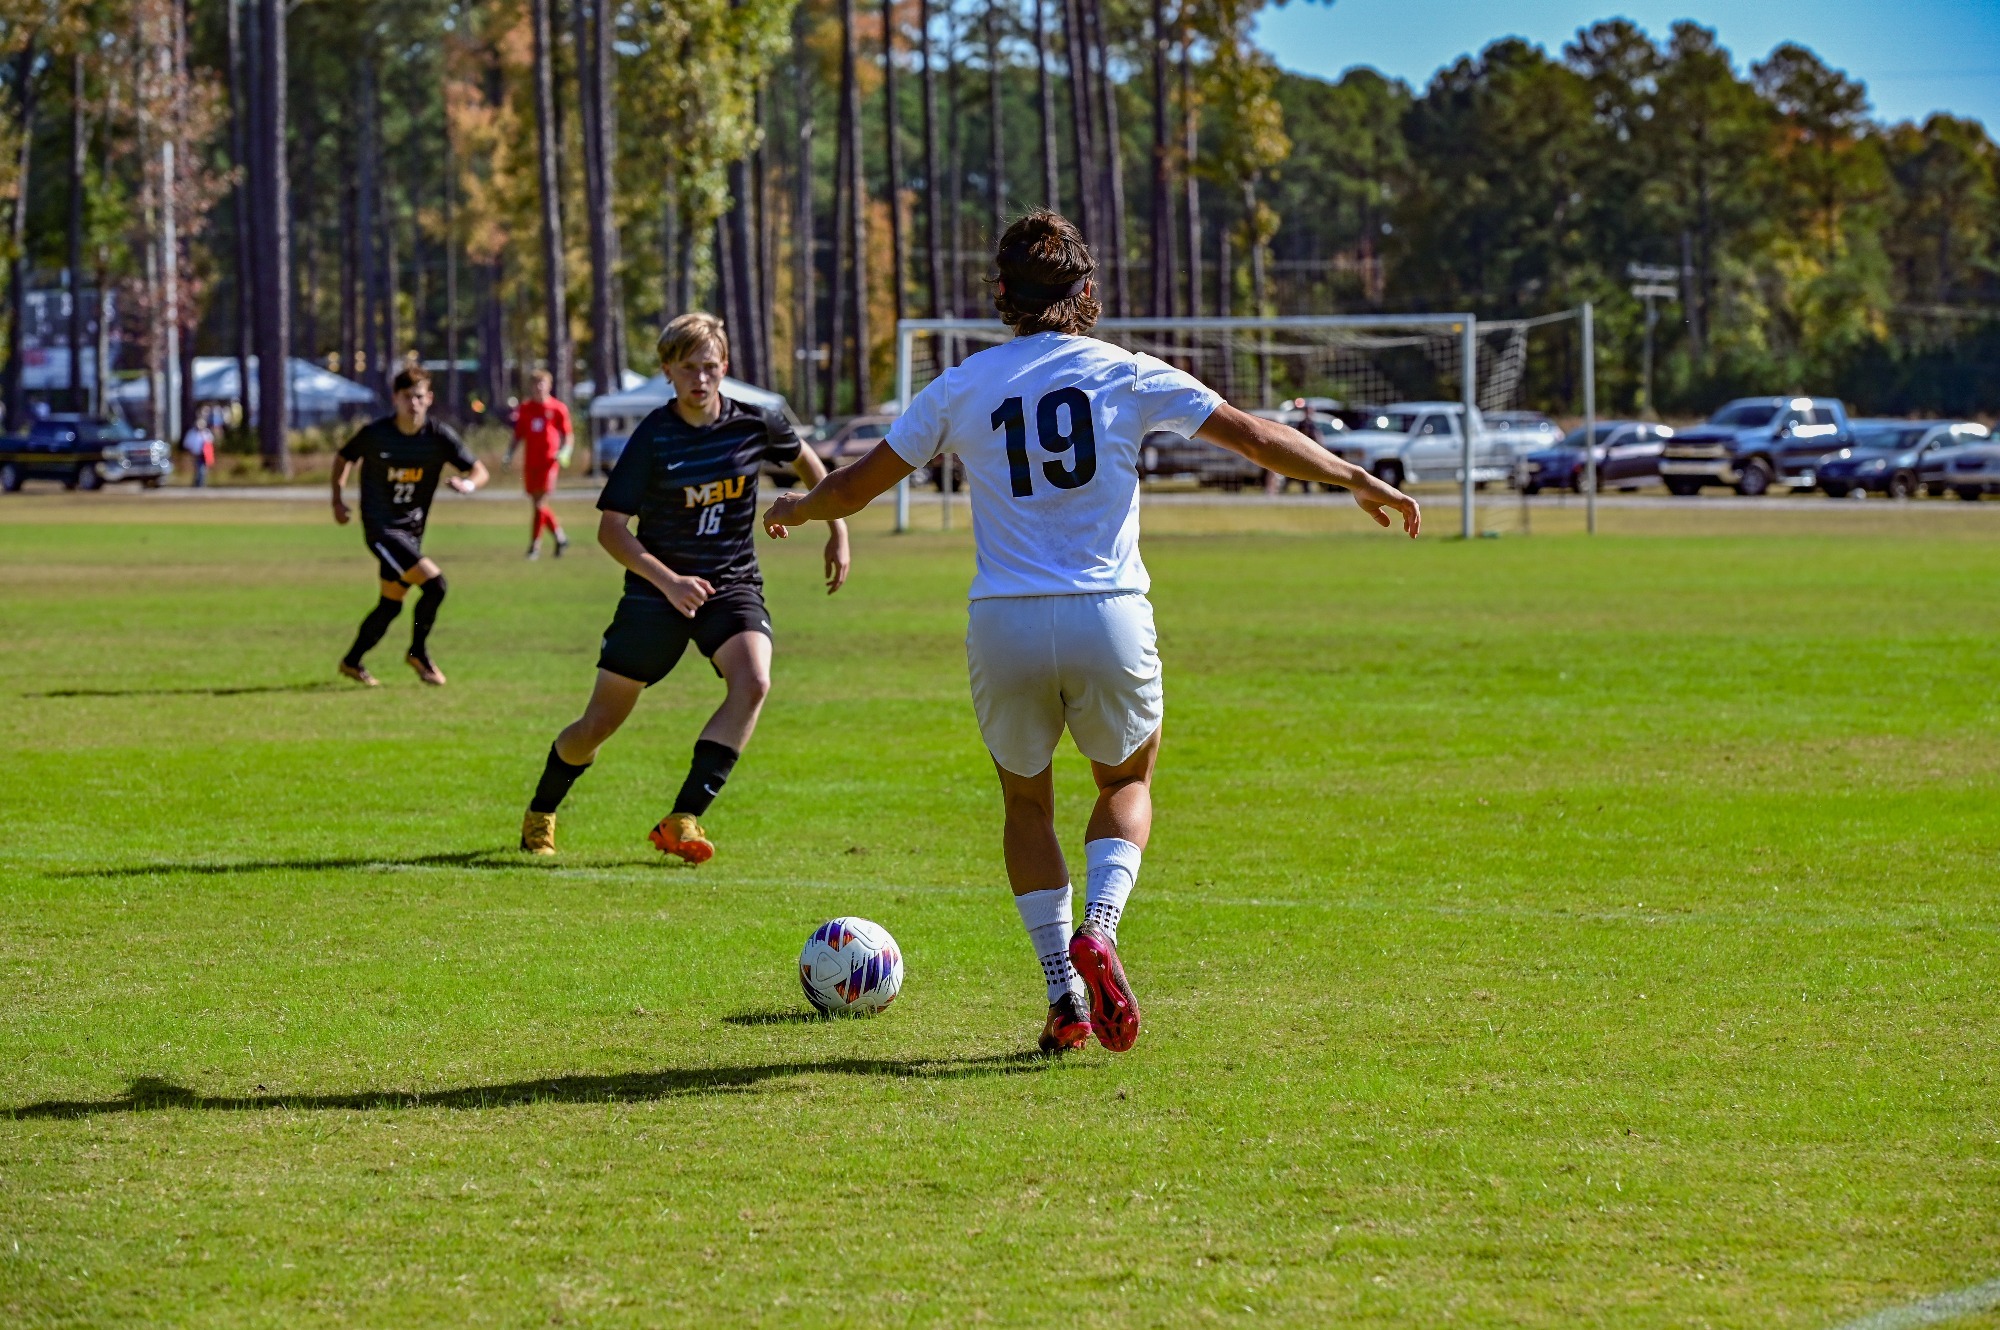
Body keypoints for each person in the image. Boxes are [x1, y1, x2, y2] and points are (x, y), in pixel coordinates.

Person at [763, 210, 1421, 1054]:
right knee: (1124, 782)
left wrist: (797, 505)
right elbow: (1258, 436)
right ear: (1084, 293)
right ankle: (1101, 928)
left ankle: (1062, 996)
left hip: (1003, 621)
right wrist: (1353, 475)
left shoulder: (963, 385)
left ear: (1001, 295)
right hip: (1106, 612)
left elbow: (854, 488)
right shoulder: (1126, 372)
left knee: (1025, 801)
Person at [518, 312, 851, 862]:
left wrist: (836, 530)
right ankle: (542, 809)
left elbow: (817, 472)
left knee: (755, 681)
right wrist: (669, 582)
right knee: (596, 726)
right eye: (690, 367)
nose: (702, 378)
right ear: (669, 371)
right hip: (656, 592)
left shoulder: (757, 421)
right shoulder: (652, 436)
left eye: (711, 367)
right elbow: (610, 529)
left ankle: (683, 817)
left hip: (732, 583)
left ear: (725, 368)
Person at [330, 366, 490, 687]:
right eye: (406, 397)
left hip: (411, 533)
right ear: (396, 399)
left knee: (390, 604)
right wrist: (337, 498)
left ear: (429, 399)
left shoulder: (438, 437)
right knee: (436, 585)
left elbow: (480, 470)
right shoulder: (377, 434)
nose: (413, 403)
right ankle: (418, 652)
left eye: (419, 397)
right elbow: (344, 456)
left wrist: (467, 484)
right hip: (381, 530)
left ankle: (352, 661)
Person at [506, 370, 573, 559]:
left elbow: (568, 434)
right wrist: (509, 454)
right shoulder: (526, 408)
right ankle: (560, 537)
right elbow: (518, 434)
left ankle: (535, 546)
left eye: (542, 383)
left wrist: (565, 451)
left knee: (539, 504)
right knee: (537, 504)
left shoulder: (558, 408)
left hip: (549, 462)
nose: (539, 387)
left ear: (549, 385)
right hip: (531, 462)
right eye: (536, 383)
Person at [182, 412, 216, 488]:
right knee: (198, 469)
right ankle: (198, 483)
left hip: (204, 455)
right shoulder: (192, 433)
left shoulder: (206, 433)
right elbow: (187, 443)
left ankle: (200, 484)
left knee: (202, 470)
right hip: (195, 454)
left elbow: (210, 442)